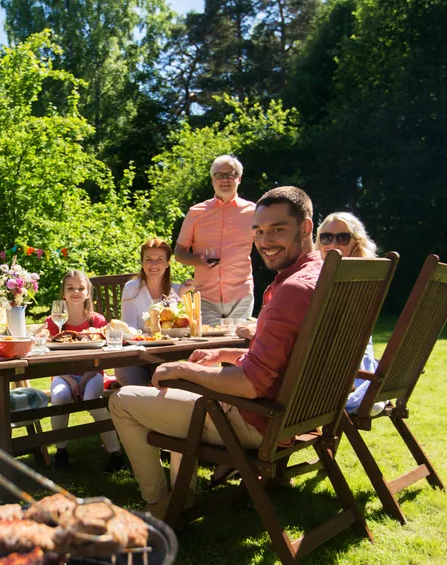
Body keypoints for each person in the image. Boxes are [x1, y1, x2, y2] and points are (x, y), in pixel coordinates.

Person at [109, 187, 321, 518]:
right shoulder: (321, 277)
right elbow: (281, 359)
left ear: (305, 228)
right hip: (305, 414)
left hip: (260, 420)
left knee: (122, 402)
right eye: (259, 231)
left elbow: (251, 384)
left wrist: (183, 370)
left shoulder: (291, 289)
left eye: (278, 229)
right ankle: (183, 494)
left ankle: (162, 504)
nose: (265, 241)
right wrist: (223, 353)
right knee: (185, 389)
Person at [45, 271, 124, 472]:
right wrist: (71, 382)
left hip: (92, 373)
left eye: (81, 288)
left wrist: (83, 380)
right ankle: (61, 450)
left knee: (92, 399)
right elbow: (49, 358)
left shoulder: (96, 320)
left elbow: (101, 357)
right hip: (63, 373)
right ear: (62, 293)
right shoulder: (54, 321)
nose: (76, 292)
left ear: (88, 292)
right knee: (60, 397)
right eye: (70, 288)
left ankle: (114, 451)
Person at [314, 212, 386, 416]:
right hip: (348, 368)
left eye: (342, 238)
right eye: (326, 238)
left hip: (342, 375)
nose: (332, 244)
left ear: (357, 242)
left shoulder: (358, 280)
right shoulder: (321, 276)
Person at [174, 155, 256, 326]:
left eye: (230, 174)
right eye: (219, 175)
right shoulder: (196, 212)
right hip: (205, 297)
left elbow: (267, 245)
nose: (225, 179)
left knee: (237, 347)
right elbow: (179, 253)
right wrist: (199, 261)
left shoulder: (254, 212)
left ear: (239, 179)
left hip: (240, 295)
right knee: (209, 347)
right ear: (212, 179)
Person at [116, 238, 194, 388]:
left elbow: (181, 329)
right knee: (140, 391)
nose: (154, 264)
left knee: (170, 389)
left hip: (164, 357)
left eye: (159, 259)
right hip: (134, 358)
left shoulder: (176, 290)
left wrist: (186, 291)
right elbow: (128, 327)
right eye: (149, 259)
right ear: (142, 263)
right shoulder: (131, 289)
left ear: (167, 263)